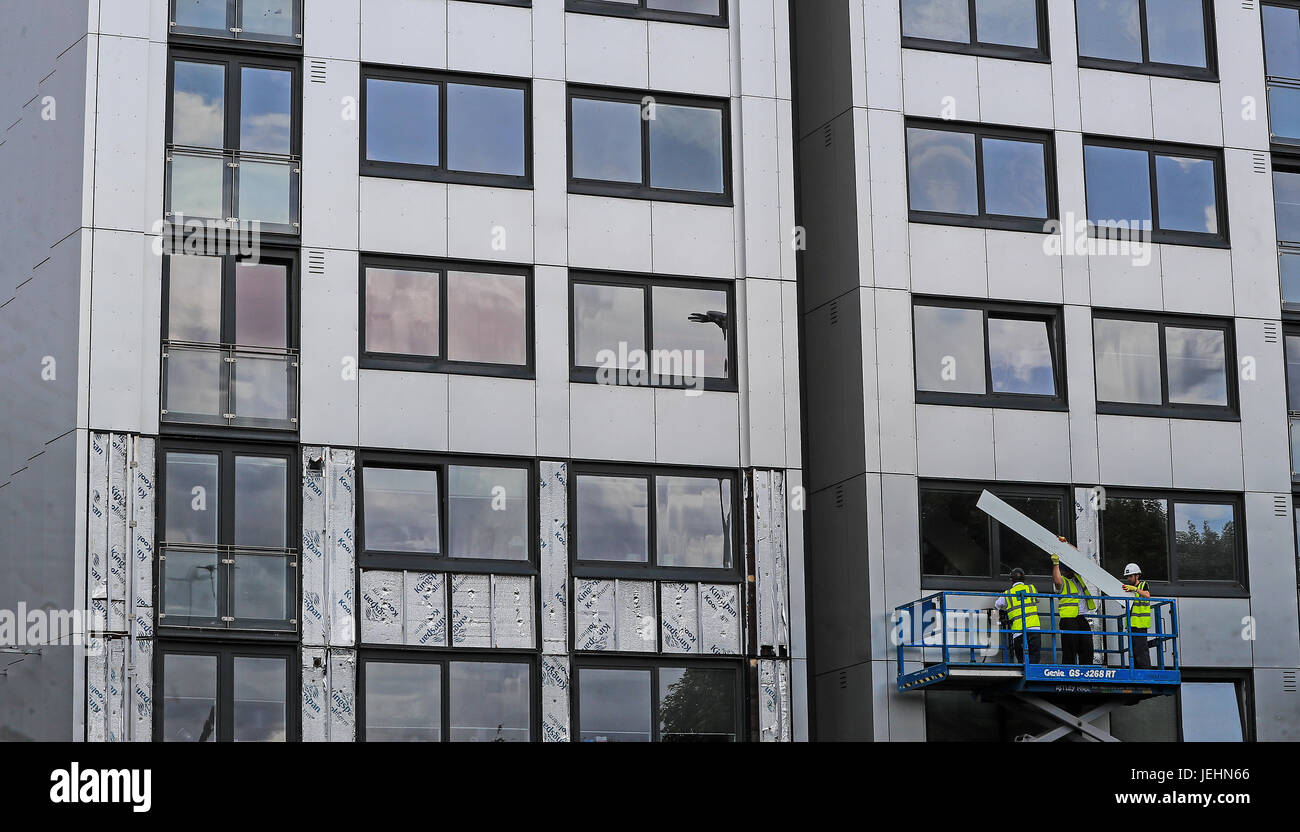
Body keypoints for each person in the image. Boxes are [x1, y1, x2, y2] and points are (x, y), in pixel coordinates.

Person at [1050, 549, 1096, 665]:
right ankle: (1068, 670)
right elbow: (1057, 581)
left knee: (1087, 648)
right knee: (1070, 649)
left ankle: (1086, 670)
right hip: (1068, 619)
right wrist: (1056, 564)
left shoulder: (1077, 578)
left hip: (1081, 618)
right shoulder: (1062, 581)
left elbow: (1078, 554)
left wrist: (1065, 545)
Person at [994, 568, 1041, 664]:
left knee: (1022, 660)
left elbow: (997, 605)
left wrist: (998, 619)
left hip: (1018, 631)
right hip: (1034, 628)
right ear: (1024, 579)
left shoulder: (1007, 594)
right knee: (1034, 659)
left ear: (1011, 580)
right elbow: (1037, 599)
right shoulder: (1032, 588)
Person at [1121, 563, 1152, 669]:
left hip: (1140, 624)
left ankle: (1145, 671)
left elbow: (1147, 595)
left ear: (1137, 576)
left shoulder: (1143, 585)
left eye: (1130, 576)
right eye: (1127, 577)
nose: (1129, 579)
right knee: (1134, 651)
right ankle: (1136, 671)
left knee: (1141, 650)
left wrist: (1135, 589)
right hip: (1132, 625)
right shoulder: (1129, 589)